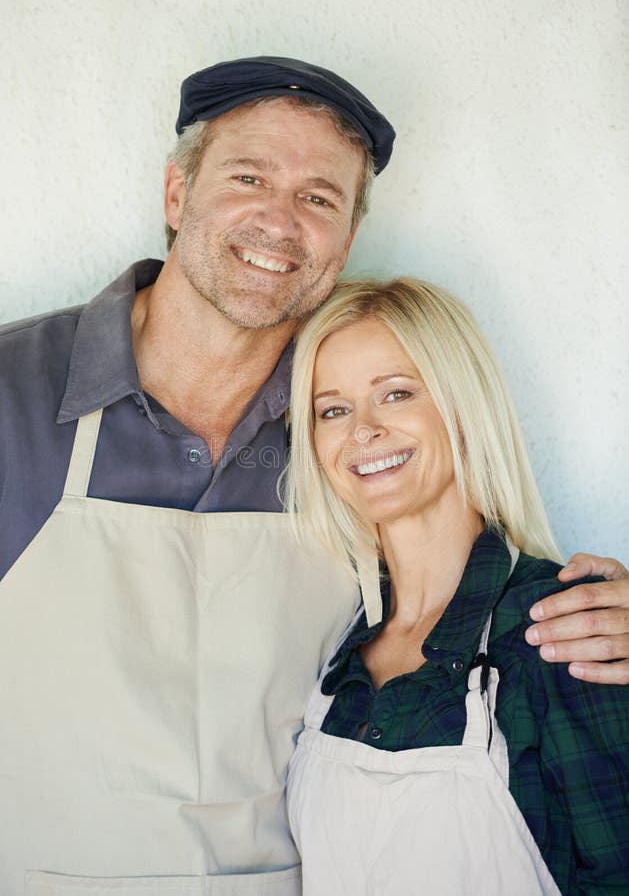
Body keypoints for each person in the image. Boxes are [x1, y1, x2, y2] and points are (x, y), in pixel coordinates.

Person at [0, 57, 626, 893]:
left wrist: (594, 612)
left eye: (319, 198)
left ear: (344, 241)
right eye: (248, 175)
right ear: (176, 195)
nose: (278, 220)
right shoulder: (11, 394)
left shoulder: (347, 439)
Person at [284, 277, 629, 895]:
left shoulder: (566, 631)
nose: (362, 430)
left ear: (463, 407)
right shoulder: (333, 648)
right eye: (332, 409)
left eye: (396, 394)